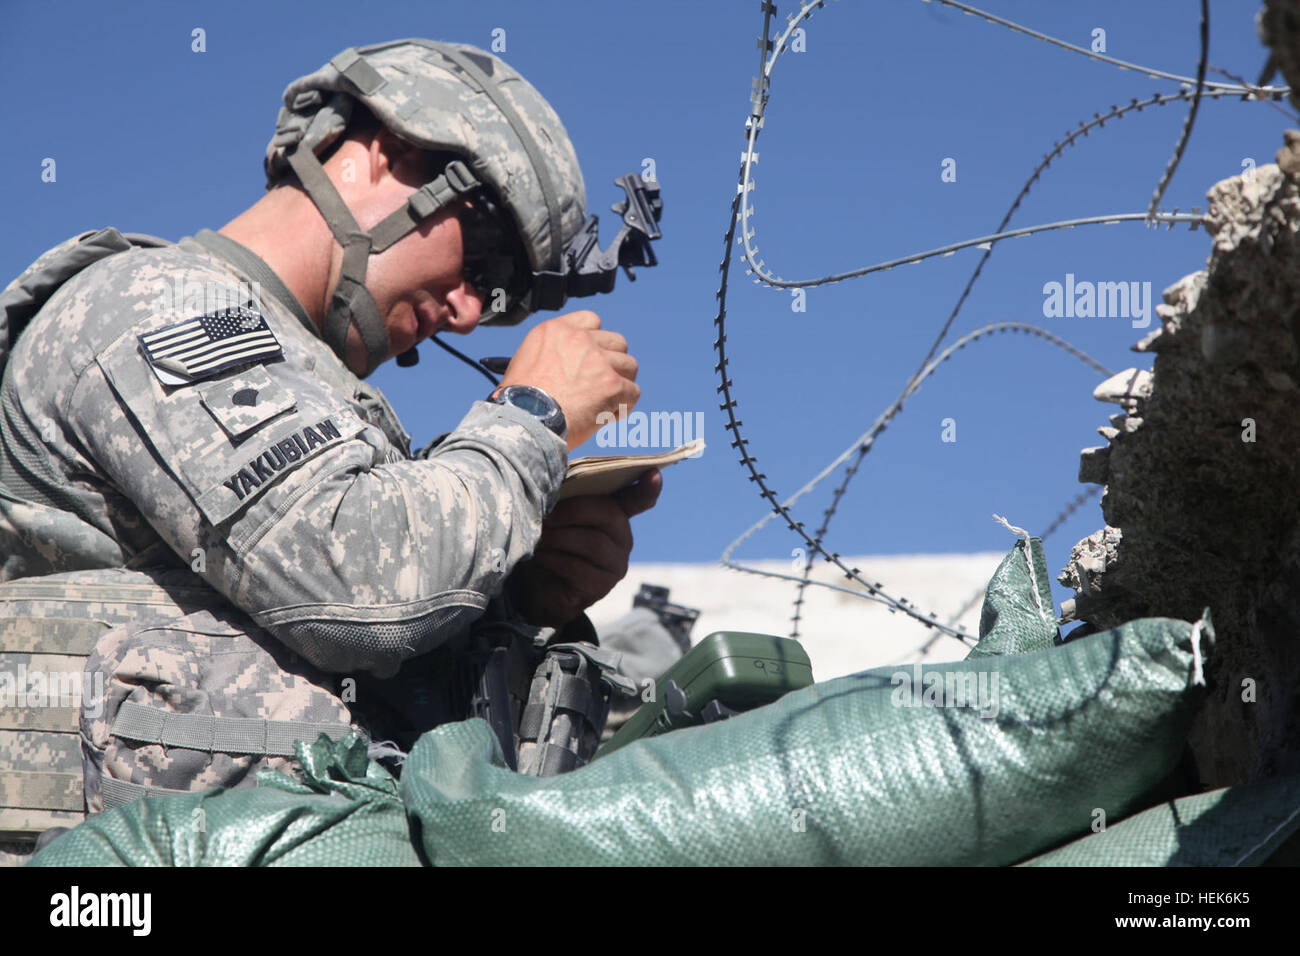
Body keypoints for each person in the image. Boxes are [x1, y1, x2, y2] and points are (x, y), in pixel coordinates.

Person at [0, 39, 665, 820]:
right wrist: (531, 416)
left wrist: (522, 594)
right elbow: (362, 596)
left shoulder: (294, 370)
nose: (472, 309)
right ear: (385, 154)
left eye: (502, 293)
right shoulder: (164, 305)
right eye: (482, 255)